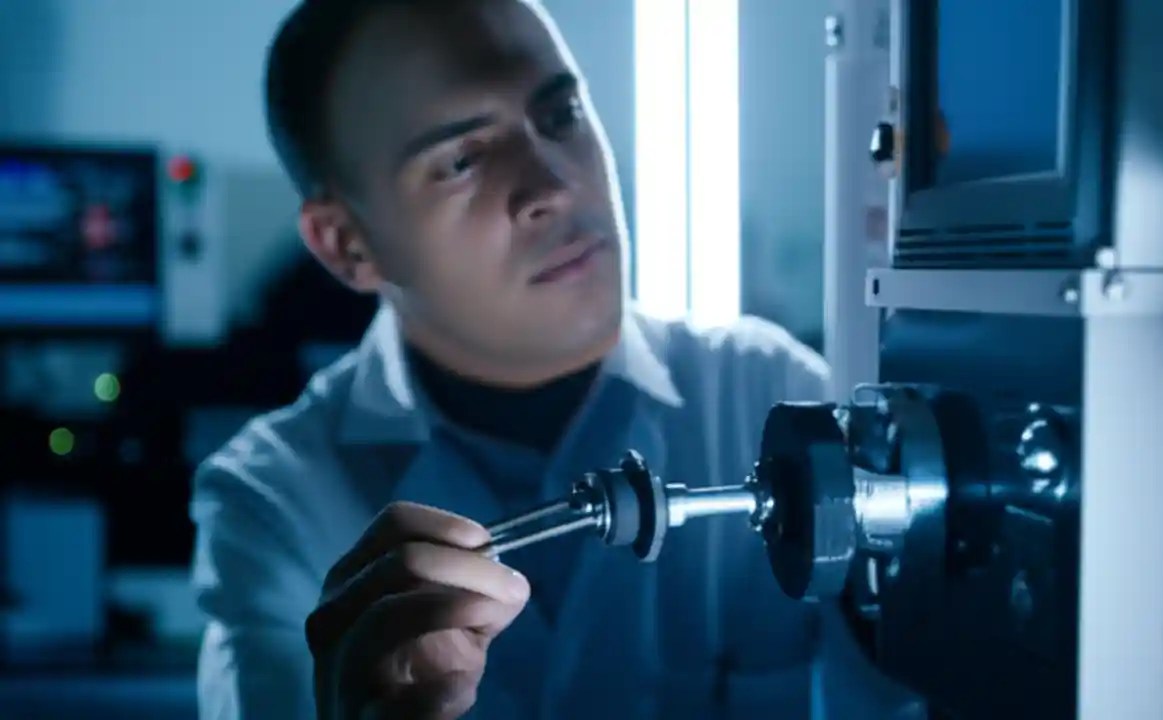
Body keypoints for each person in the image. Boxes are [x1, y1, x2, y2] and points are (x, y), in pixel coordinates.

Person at [189, 0, 920, 718]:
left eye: (561, 114)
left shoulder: (770, 395)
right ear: (347, 243)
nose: (553, 185)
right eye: (462, 160)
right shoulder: (275, 505)